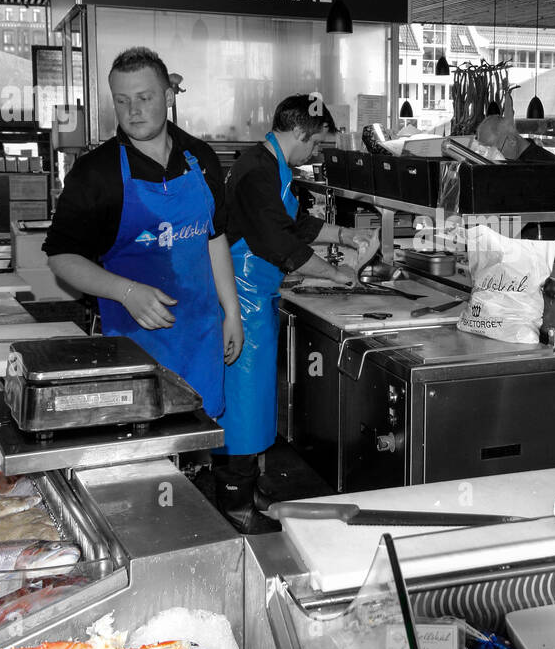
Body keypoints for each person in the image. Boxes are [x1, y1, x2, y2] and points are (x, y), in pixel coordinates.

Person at [45, 46, 240, 423]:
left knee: (197, 442)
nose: (133, 111)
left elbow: (213, 238)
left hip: (201, 338)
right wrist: (127, 291)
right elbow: (60, 256)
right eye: (122, 101)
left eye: (144, 98)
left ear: (168, 97)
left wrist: (231, 312)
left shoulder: (201, 157)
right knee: (144, 453)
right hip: (134, 344)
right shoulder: (95, 173)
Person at [217, 95, 374, 525]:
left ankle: (250, 486)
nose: (317, 154)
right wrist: (335, 275)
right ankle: (235, 503)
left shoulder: (274, 166)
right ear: (300, 133)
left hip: (256, 299)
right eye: (318, 145)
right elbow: (278, 243)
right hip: (240, 300)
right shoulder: (255, 172)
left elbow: (297, 223)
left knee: (256, 401)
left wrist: (342, 235)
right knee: (243, 404)